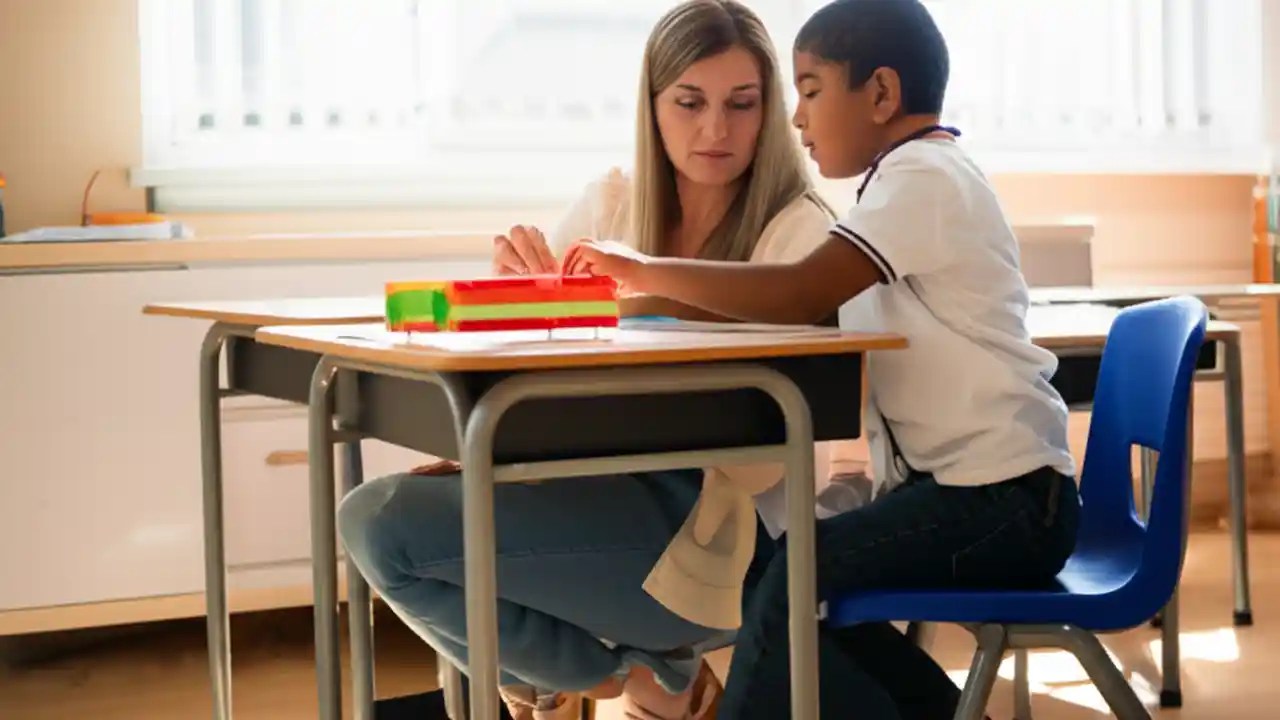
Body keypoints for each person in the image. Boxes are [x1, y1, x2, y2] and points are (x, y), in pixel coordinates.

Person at [338, 2, 872, 718]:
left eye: (741, 105)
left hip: (719, 542)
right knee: (378, 517)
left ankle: (598, 680)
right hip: (590, 498)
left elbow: (763, 455)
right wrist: (518, 298)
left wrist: (641, 309)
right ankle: (633, 681)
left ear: (767, 111)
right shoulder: (610, 203)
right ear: (652, 107)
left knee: (385, 527)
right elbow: (528, 376)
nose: (716, 129)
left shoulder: (800, 231)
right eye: (690, 103)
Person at [565, 0, 1082, 717]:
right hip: (972, 498)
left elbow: (798, 289)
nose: (797, 118)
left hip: (1004, 504)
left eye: (808, 91)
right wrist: (635, 308)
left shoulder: (926, 179)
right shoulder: (900, 186)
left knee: (792, 576)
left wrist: (649, 271)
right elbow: (785, 304)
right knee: (798, 584)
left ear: (880, 95)